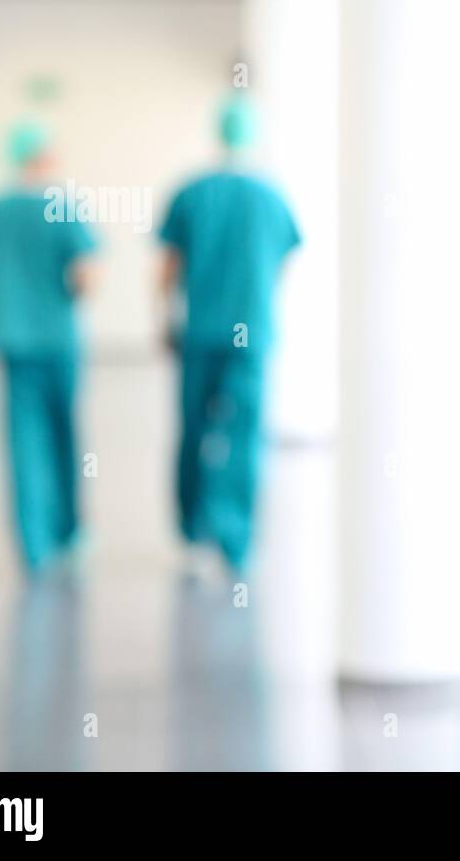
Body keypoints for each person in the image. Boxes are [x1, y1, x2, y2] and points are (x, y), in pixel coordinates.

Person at [158, 94, 301, 574]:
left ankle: (193, 534)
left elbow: (168, 269)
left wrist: (162, 320)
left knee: (194, 428)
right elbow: (279, 265)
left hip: (200, 332)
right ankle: (234, 542)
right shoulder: (271, 198)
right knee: (243, 434)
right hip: (251, 333)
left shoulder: (191, 193)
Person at [0, 119, 98, 572]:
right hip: (59, 340)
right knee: (64, 433)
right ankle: (68, 532)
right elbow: (86, 275)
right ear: (44, 155)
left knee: (23, 440)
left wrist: (12, 302)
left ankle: (34, 545)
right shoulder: (61, 207)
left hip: (14, 339)